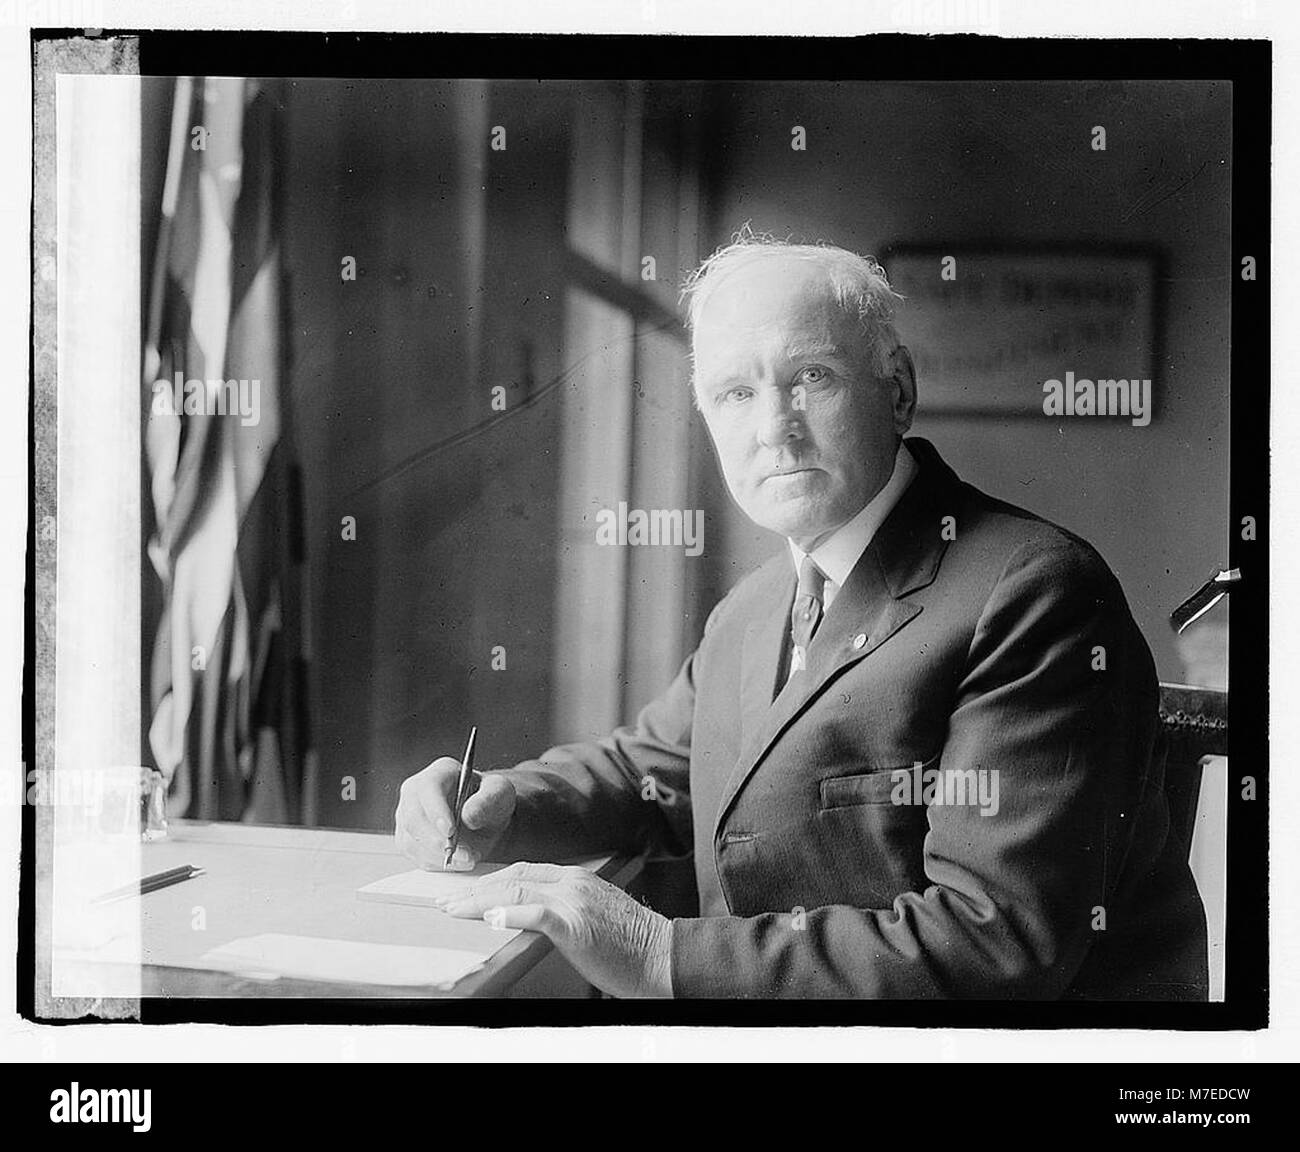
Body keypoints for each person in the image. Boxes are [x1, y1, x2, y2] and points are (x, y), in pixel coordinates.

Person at [394, 234, 1209, 1000]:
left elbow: (995, 942)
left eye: (811, 378)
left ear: (898, 390)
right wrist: (503, 802)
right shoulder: (752, 610)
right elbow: (646, 773)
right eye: (735, 393)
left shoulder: (1036, 592)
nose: (773, 428)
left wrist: (657, 953)